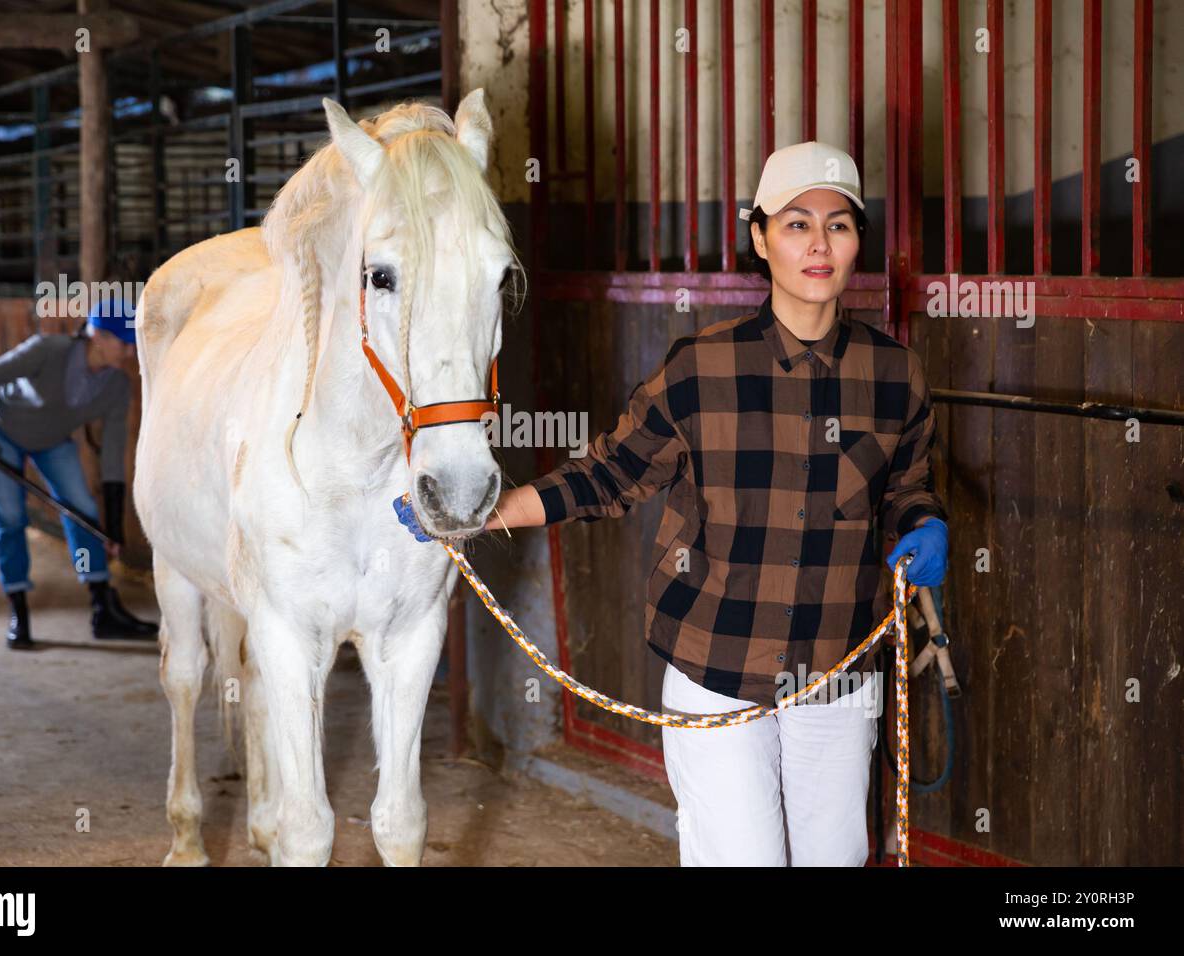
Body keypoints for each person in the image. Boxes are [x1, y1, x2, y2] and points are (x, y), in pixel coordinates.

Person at [396, 141, 949, 866]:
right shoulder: (699, 369)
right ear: (759, 237)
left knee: (837, 859)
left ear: (856, 243)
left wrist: (923, 521)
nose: (819, 243)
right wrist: (485, 515)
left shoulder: (895, 375)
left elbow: (907, 485)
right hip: (715, 668)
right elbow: (608, 474)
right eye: (795, 223)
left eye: (838, 225)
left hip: (836, 671)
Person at [0, 294, 160, 649]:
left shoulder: (116, 386)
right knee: (10, 518)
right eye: (126, 344)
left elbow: (113, 457)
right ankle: (19, 611)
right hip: (4, 433)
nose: (131, 353)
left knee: (83, 511)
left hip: (53, 441)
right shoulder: (49, 349)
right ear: (99, 337)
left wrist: (113, 527)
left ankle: (102, 606)